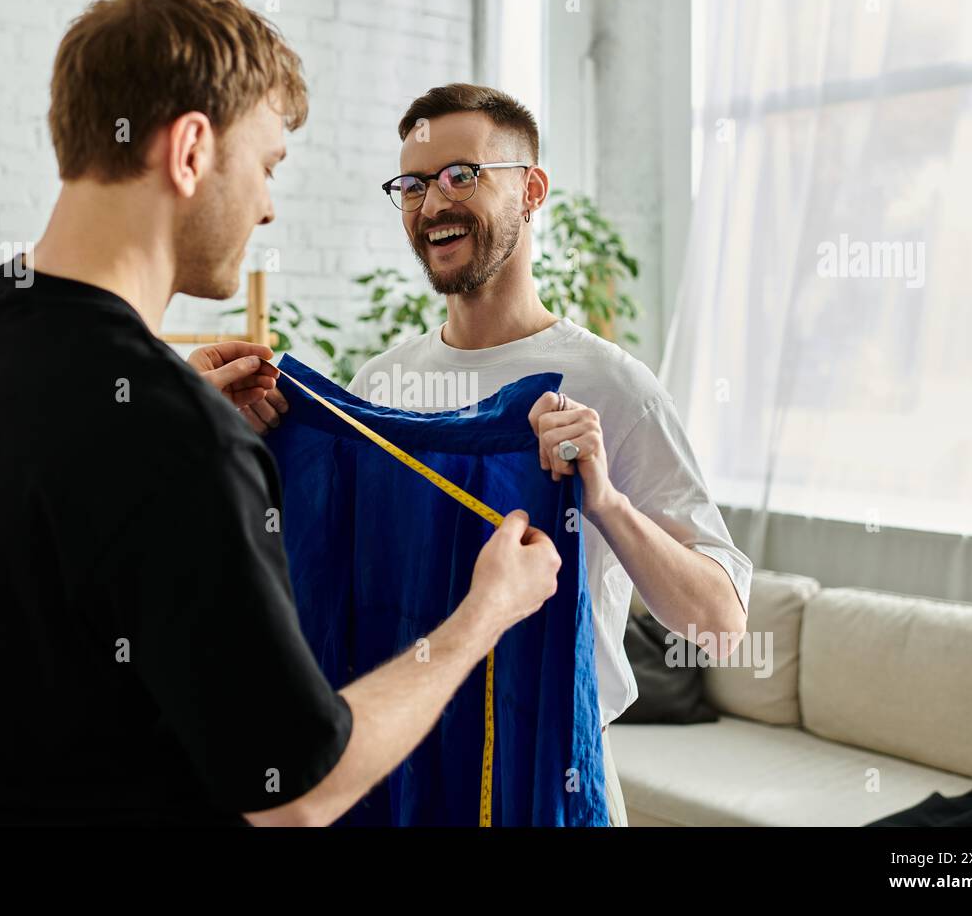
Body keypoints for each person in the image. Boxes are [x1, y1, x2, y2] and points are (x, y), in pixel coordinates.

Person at [0, 0, 561, 827]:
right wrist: (485, 615)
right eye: (266, 166)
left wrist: (172, 412)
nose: (267, 208)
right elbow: (296, 793)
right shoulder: (170, 434)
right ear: (192, 150)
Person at [244, 84, 754, 827]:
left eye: (462, 175)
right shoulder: (379, 385)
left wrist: (605, 502)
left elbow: (720, 625)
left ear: (532, 189)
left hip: (547, 771)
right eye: (412, 186)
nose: (431, 204)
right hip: (393, 766)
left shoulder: (613, 387)